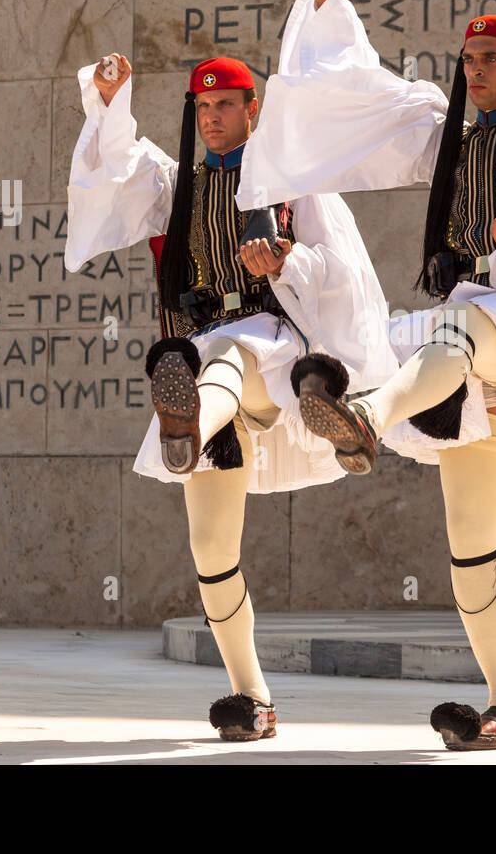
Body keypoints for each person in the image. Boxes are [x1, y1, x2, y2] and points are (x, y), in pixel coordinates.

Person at [240, 0, 496, 750]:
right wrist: (326, 7)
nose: (476, 70)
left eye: (491, 59)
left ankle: (367, 416)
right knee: (468, 545)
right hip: (469, 351)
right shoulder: (445, 140)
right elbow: (364, 96)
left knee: (450, 333)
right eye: (468, 59)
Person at [64, 51, 395, 742]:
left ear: (254, 111)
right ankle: (254, 698)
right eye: (203, 107)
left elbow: (343, 270)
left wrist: (287, 259)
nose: (213, 118)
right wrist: (108, 99)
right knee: (211, 550)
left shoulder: (291, 183)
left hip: (271, 354)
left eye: (226, 106)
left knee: (228, 353)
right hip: (207, 352)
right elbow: (116, 165)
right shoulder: (176, 185)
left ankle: (184, 424)